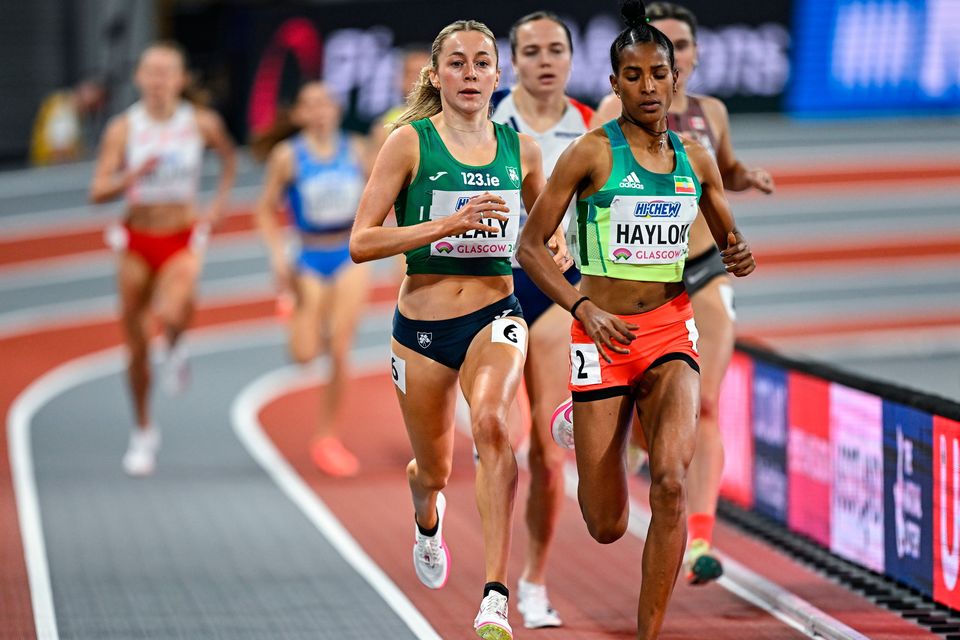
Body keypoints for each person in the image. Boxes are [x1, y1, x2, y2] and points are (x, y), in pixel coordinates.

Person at [516, 0, 756, 637]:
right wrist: (581, 307)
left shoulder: (696, 160)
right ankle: (586, 418)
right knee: (607, 525)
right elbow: (530, 248)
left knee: (672, 484)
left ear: (677, 80)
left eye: (660, 74)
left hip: (670, 331)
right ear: (615, 82)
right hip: (601, 335)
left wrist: (738, 254)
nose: (649, 87)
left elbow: (730, 239)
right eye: (634, 76)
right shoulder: (590, 155)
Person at [350, 19, 559, 640]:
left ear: (500, 76)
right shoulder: (408, 143)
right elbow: (362, 241)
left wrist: (571, 265)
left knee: (494, 423)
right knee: (432, 470)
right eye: (459, 64)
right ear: (437, 75)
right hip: (421, 331)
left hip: (494, 315)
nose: (471, 75)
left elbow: (543, 240)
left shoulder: (520, 149)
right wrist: (446, 226)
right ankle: (427, 517)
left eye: (482, 64)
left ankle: (494, 594)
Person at [587, 1, 775, 585]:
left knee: (708, 403)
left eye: (683, 45)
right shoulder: (609, 114)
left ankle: (699, 540)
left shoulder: (711, 114)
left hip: (703, 267)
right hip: (641, 279)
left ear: (687, 57)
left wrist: (747, 178)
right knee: (653, 410)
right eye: (662, 46)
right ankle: (641, 438)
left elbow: (727, 169)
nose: (673, 57)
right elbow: (588, 182)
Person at [89, 41, 236, 477]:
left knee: (172, 310)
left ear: (181, 79)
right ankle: (143, 430)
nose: (157, 81)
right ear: (138, 78)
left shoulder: (201, 123)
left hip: (182, 235)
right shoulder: (123, 128)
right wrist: (131, 176)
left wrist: (218, 204)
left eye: (166, 72)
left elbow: (229, 159)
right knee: (134, 348)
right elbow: (97, 190)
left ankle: (174, 343)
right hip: (135, 239)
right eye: (150, 72)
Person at [488, 10, 589, 630]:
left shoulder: (591, 125)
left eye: (556, 50)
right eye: (532, 51)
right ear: (513, 61)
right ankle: (494, 581)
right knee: (496, 440)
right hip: (494, 288)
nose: (545, 61)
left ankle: (533, 582)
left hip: (560, 288)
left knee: (550, 457)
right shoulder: (487, 119)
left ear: (571, 60)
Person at [254, 82, 371, 477]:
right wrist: (277, 254)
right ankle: (306, 317)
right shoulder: (288, 156)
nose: (320, 111)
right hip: (307, 256)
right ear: (300, 114)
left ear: (336, 109)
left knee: (339, 349)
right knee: (304, 356)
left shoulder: (356, 150)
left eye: (326, 103)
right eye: (310, 105)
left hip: (348, 254)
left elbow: (387, 194)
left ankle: (327, 437)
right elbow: (265, 210)